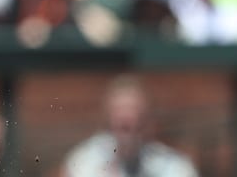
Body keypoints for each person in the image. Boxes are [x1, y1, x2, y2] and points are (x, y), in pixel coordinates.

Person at [60, 76, 197, 177]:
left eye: (135, 111)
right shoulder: (83, 163)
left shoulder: (173, 167)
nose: (128, 120)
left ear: (149, 121)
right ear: (107, 119)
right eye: (119, 113)